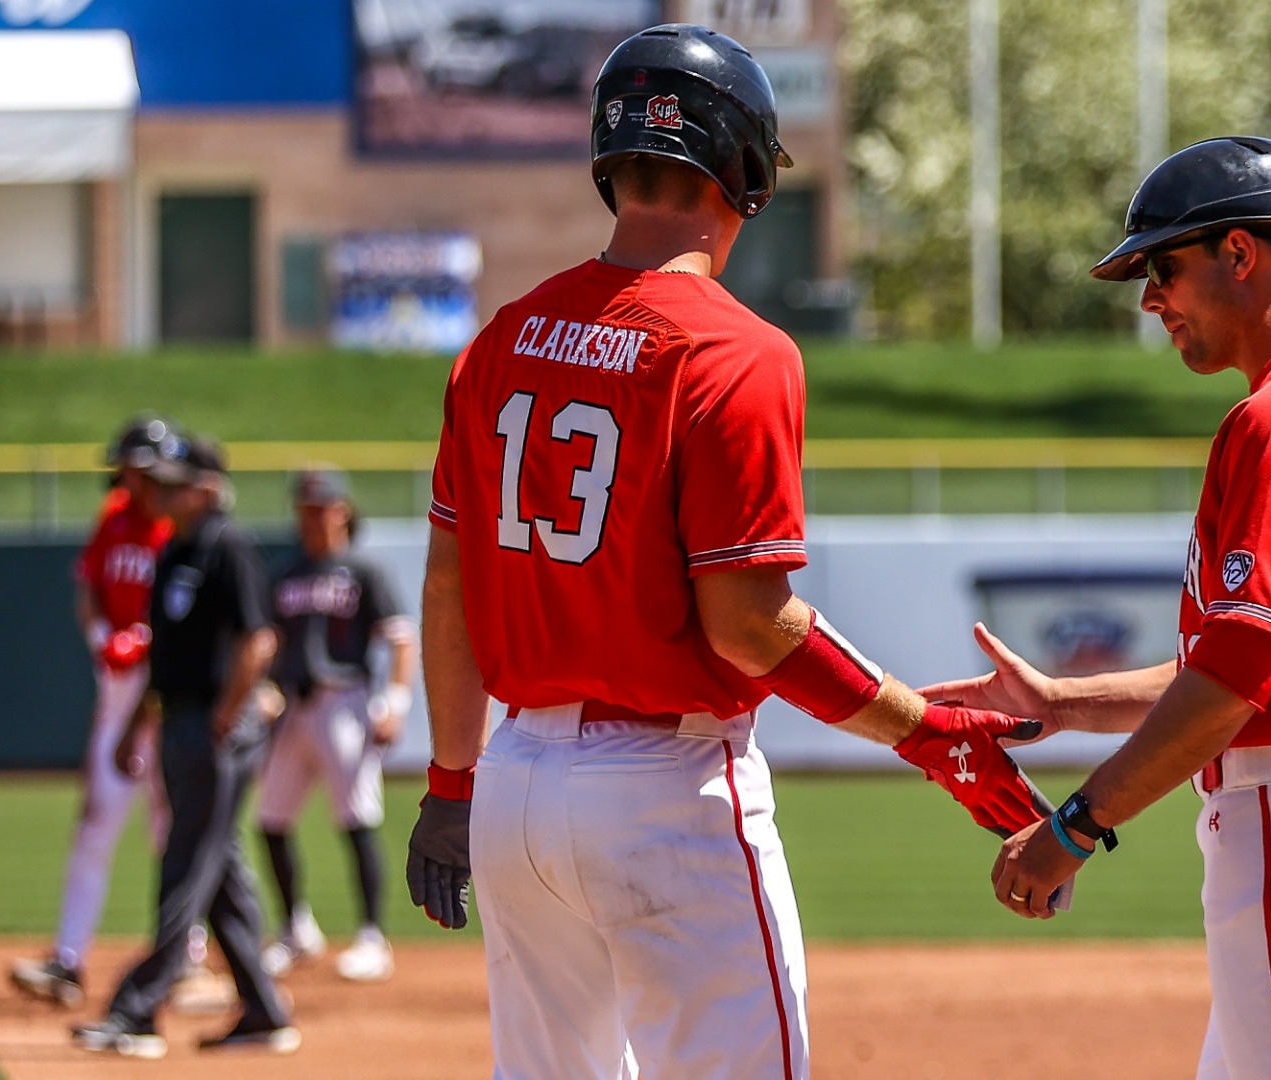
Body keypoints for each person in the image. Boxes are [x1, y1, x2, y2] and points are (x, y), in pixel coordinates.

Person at [403, 24, 1047, 1080]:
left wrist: (450, 780)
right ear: (744, 169)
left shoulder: (501, 338)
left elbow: (448, 585)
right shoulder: (735, 351)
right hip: (668, 788)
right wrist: (925, 732)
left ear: (609, 161)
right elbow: (750, 625)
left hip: (515, 787)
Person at [923, 138, 1271, 1080]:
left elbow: (1235, 682)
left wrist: (1074, 827)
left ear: (1238, 253)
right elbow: (1256, 662)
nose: (1150, 299)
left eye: (1163, 268)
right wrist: (1061, 702)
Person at [69, 435, 300, 1059]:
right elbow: (165, 657)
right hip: (179, 719)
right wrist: (132, 726)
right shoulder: (173, 550)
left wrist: (225, 716)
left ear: (207, 488)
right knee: (217, 868)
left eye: (176, 482)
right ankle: (263, 1009)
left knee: (186, 862)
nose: (161, 492)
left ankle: (136, 1010)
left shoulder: (228, 547)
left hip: (215, 726)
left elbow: (258, 639)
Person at [8, 417, 175, 1006]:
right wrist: (103, 635)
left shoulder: (177, 526)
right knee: (96, 822)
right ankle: (68, 960)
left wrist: (149, 639)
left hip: (169, 690)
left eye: (138, 467)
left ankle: (186, 958)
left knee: (173, 826)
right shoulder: (115, 518)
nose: (129, 476)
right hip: (119, 691)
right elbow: (87, 590)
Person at [255, 467, 418, 983]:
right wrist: (262, 687)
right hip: (292, 708)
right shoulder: (286, 573)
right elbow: (267, 644)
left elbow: (401, 640)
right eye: (304, 509)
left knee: (356, 818)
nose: (311, 517)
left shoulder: (364, 570)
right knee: (270, 818)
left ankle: (372, 936)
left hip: (345, 703)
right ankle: (294, 929)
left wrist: (395, 703)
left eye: (320, 508)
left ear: (342, 510)